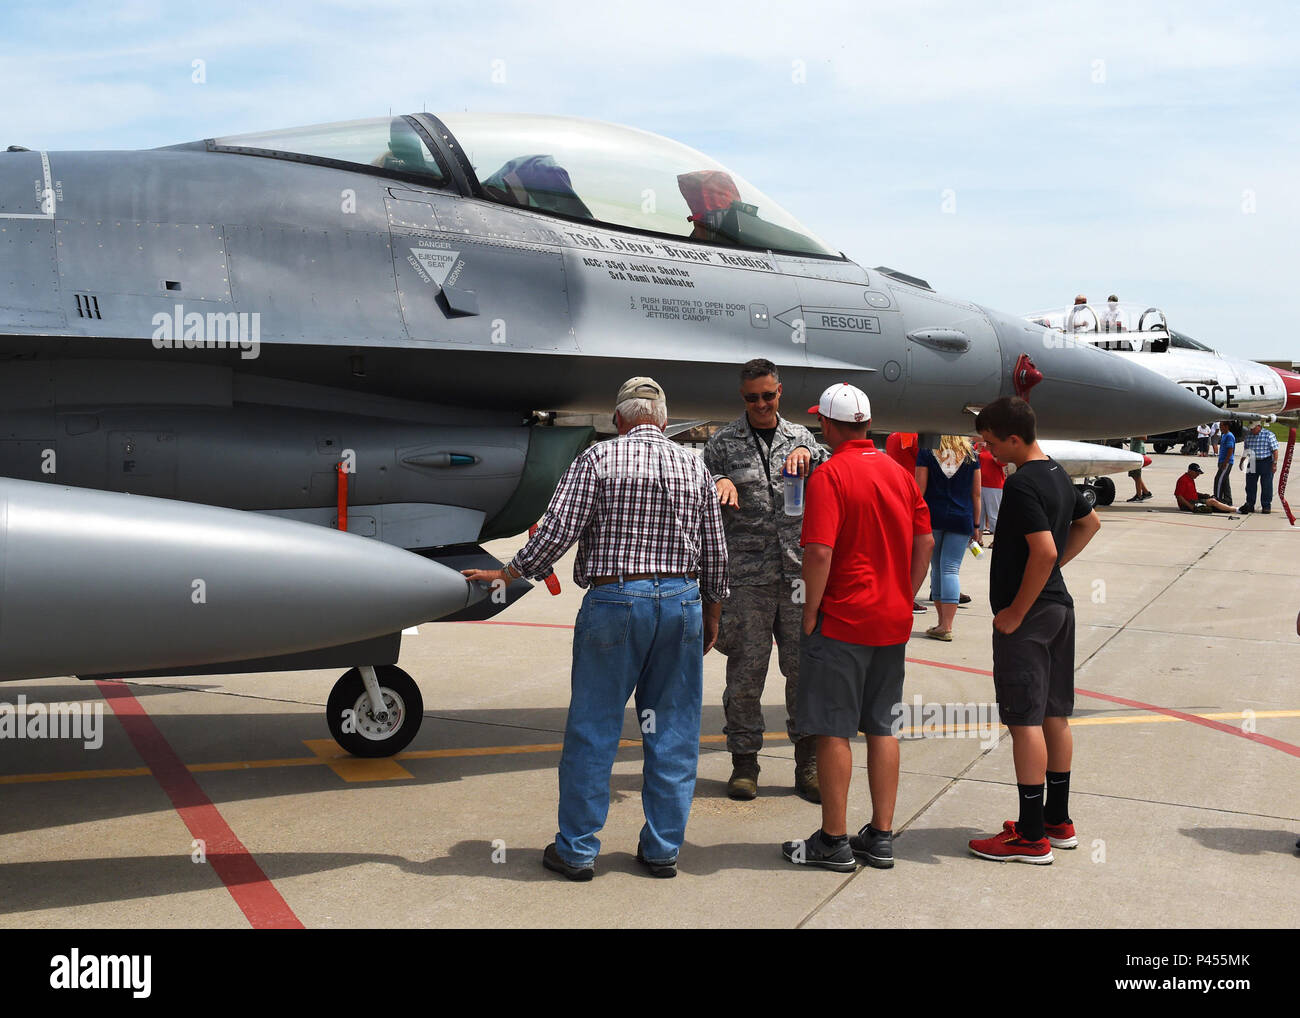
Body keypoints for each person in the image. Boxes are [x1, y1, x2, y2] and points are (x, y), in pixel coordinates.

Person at [463, 376, 728, 881]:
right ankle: (663, 849)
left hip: (615, 603)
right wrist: (711, 611)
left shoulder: (598, 460)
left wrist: (508, 573)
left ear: (618, 421)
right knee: (672, 732)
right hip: (680, 603)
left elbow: (558, 530)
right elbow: (715, 548)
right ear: (665, 422)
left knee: (594, 729)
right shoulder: (694, 466)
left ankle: (578, 850)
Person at [780, 383, 934, 871]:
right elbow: (925, 542)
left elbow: (820, 551)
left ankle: (834, 838)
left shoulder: (830, 476)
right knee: (883, 727)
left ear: (827, 424)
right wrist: (904, 595)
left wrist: (810, 611)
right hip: (891, 619)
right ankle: (882, 835)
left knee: (833, 730)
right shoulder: (898, 473)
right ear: (867, 423)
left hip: (843, 619)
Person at [968, 396, 1100, 863]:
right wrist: (1050, 572)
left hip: (1032, 617)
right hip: (1059, 609)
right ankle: (1056, 820)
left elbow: (1042, 552)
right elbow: (1090, 523)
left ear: (1014, 438)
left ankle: (1029, 837)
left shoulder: (1024, 484)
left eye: (991, 442)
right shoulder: (1056, 471)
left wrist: (1015, 611)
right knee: (1054, 716)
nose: (990, 451)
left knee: (1024, 722)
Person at [703, 358, 828, 802]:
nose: (761, 403)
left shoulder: (801, 437)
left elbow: (833, 463)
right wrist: (717, 480)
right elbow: (701, 480)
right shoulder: (722, 443)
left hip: (797, 575)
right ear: (743, 398)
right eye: (752, 397)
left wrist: (809, 453)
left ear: (780, 393)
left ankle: (808, 762)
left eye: (768, 395)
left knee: (803, 673)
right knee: (745, 676)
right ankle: (744, 763)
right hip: (748, 579)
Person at [915, 436, 981, 641]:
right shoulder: (971, 455)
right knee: (951, 569)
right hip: (961, 517)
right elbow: (976, 494)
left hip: (932, 517)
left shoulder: (927, 452)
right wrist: (977, 525)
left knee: (937, 568)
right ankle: (947, 625)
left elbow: (920, 489)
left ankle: (942, 622)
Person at [1238, 421, 1280, 514]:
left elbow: (1275, 450)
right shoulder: (1249, 435)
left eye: (1253, 428)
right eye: (1251, 428)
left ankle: (1266, 506)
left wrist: (1274, 464)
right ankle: (1250, 504)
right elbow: (1246, 450)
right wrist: (1242, 461)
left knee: (1266, 485)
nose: (1251, 430)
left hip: (1266, 461)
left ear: (1259, 426)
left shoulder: (1268, 435)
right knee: (1250, 485)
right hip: (1252, 461)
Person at [978, 440, 1007, 535]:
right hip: (979, 484)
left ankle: (996, 539)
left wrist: (991, 450)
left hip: (994, 486)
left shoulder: (998, 447)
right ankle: (978, 538)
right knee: (979, 513)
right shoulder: (978, 447)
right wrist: (978, 450)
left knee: (994, 514)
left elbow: (1002, 463)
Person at [1214, 422, 1236, 504]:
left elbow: (1230, 450)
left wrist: (1225, 462)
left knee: (1218, 480)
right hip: (1222, 461)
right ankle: (1228, 500)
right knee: (1225, 481)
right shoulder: (1224, 435)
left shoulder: (1229, 436)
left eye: (1221, 426)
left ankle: (1217, 499)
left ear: (1226, 426)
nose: (1220, 428)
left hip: (1226, 462)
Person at [1125, 435, 1152, 501]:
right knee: (1134, 475)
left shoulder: (1139, 427)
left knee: (1136, 475)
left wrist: (1134, 434)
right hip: (1135, 452)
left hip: (1138, 452)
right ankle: (1146, 492)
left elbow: (1144, 437)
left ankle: (1139, 496)